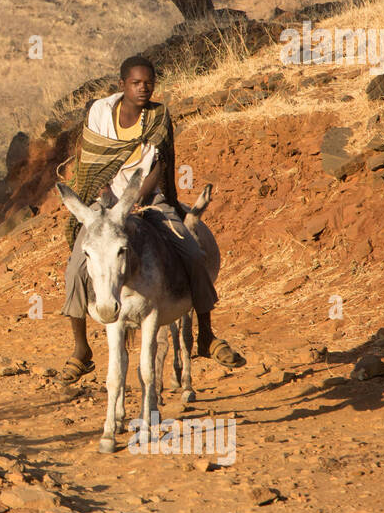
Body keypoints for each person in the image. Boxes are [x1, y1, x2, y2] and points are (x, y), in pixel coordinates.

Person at [55, 54, 245, 385]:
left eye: (149, 84)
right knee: (75, 267)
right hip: (105, 200)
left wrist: (138, 199)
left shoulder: (158, 116)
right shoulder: (100, 112)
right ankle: (81, 349)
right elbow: (94, 161)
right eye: (136, 83)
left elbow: (159, 164)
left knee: (191, 251)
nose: (143, 89)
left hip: (148, 198)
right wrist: (109, 200)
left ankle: (206, 335)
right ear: (122, 85)